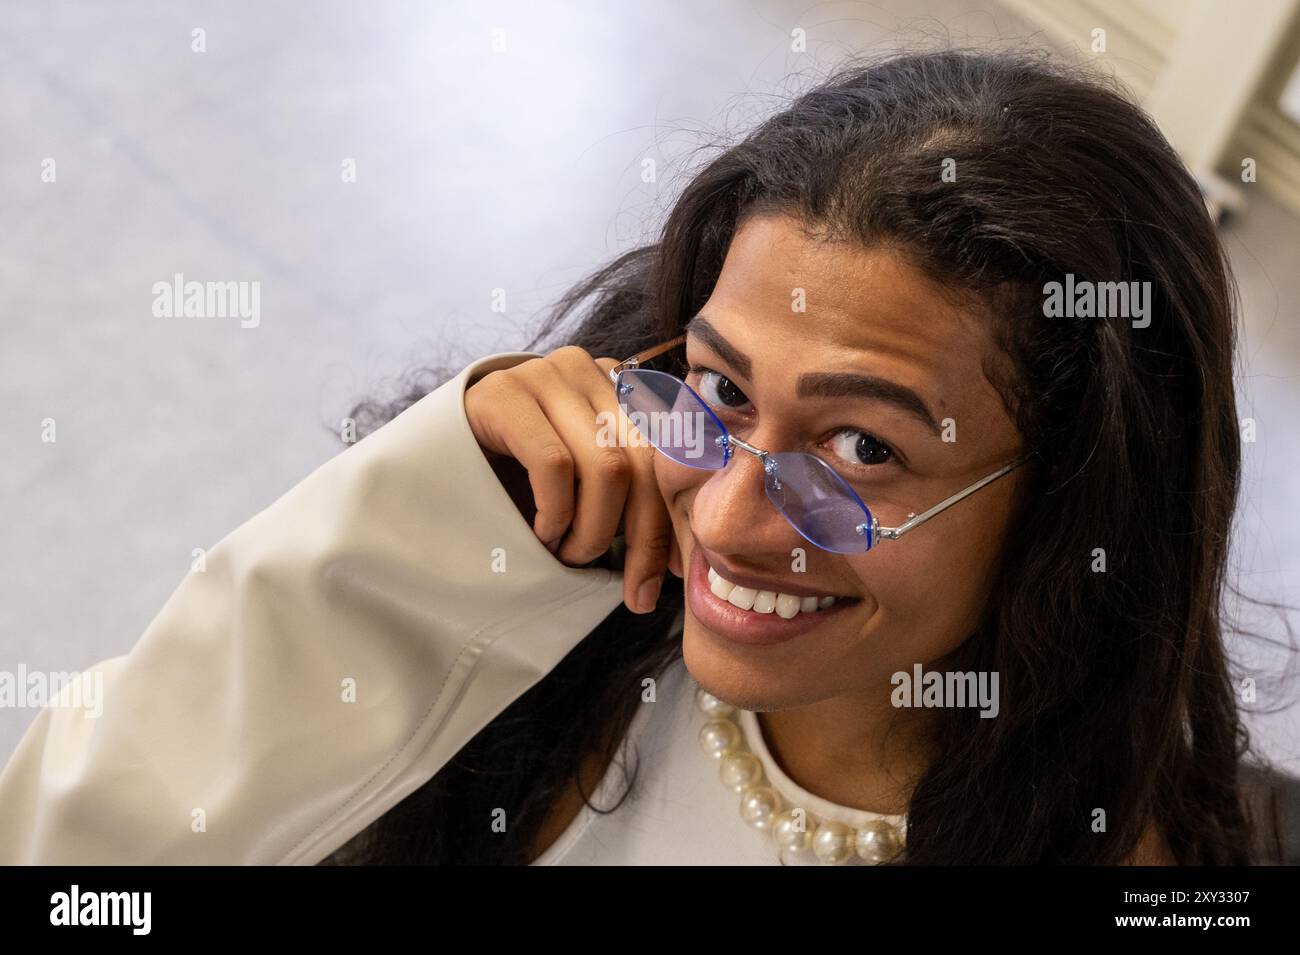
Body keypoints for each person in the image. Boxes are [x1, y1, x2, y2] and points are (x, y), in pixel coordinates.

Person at [0, 48, 1290, 866]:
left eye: (859, 447)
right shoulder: (547, 622)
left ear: (1075, 496)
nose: (727, 519)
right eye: (719, 390)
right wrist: (415, 526)